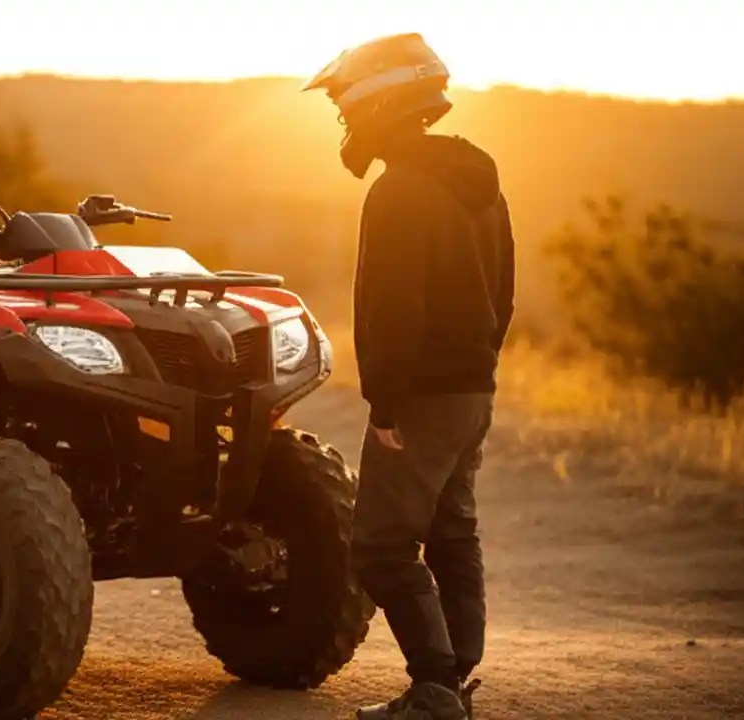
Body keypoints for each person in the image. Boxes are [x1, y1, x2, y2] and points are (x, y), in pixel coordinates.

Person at [302, 33, 516, 720]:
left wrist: (386, 403)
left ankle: (434, 688)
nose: (344, 121)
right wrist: (476, 368)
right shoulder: (480, 185)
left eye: (346, 106)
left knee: (381, 546)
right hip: (471, 389)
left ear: (380, 104)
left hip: (422, 394)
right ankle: (454, 681)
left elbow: (391, 310)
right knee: (453, 530)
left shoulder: (399, 191)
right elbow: (505, 294)